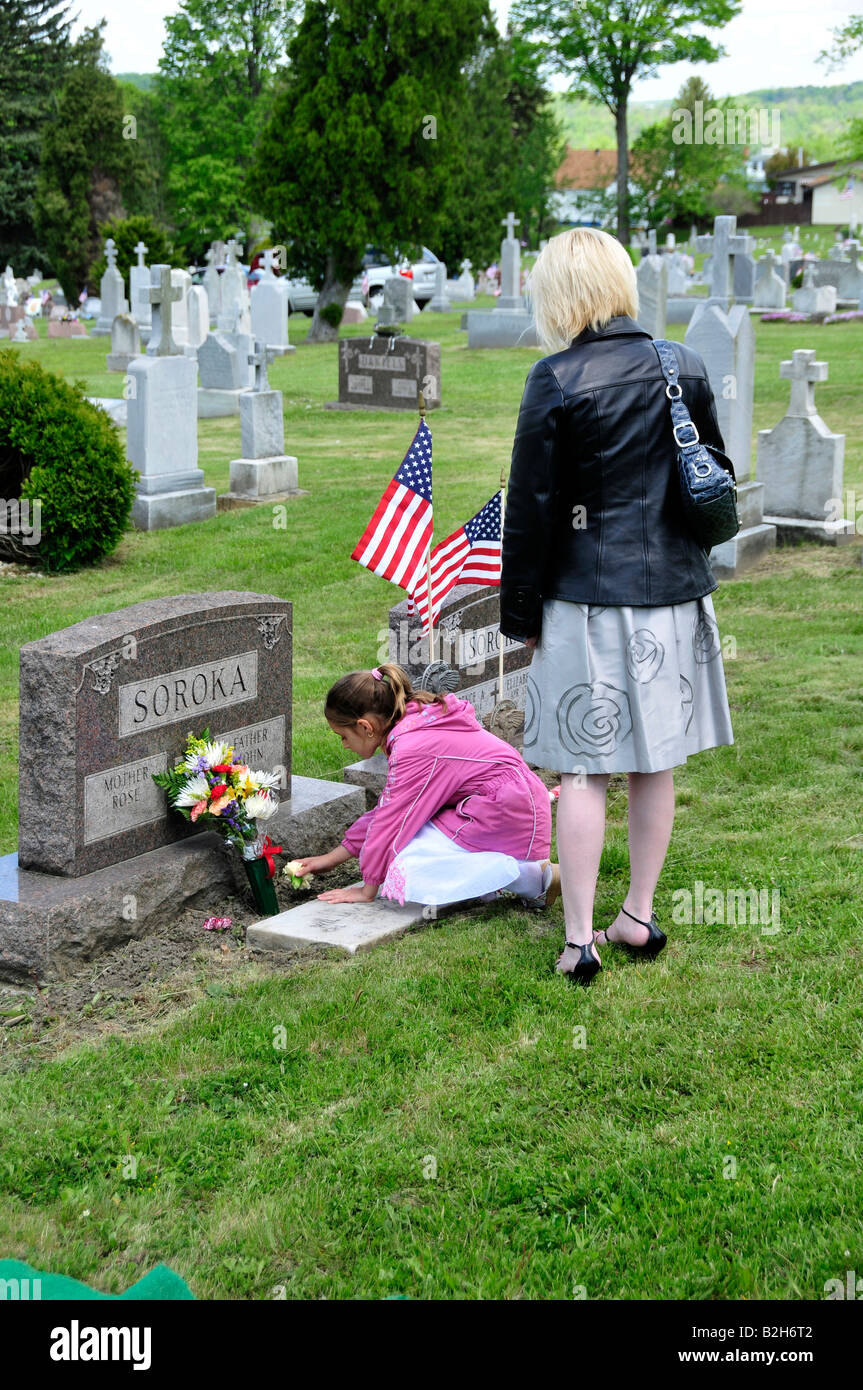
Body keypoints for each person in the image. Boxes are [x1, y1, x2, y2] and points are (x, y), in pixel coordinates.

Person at [500, 227, 734, 986]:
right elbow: (715, 474)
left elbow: (531, 511)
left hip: (588, 597)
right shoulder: (683, 365)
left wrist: (521, 616)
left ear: (558, 293)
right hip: (671, 593)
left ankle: (579, 942)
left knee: (582, 768)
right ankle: (636, 912)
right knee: (652, 761)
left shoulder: (556, 378)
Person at [294, 663, 559, 910]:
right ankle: (503, 880)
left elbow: (390, 822)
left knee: (404, 861)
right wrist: (331, 858)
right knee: (412, 840)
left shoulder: (411, 748)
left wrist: (368, 889)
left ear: (365, 727)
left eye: (343, 736)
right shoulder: (417, 721)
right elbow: (387, 809)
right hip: (510, 803)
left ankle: (532, 881)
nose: (344, 745)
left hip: (505, 808)